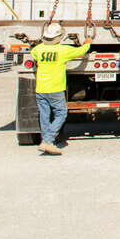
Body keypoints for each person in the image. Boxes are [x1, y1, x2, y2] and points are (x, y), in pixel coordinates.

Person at [28, 22, 92, 155]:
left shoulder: (39, 49)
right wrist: (88, 42)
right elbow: (80, 51)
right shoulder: (63, 50)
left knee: (45, 115)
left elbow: (33, 52)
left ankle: (46, 141)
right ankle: (48, 140)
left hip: (41, 88)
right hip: (55, 88)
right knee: (61, 113)